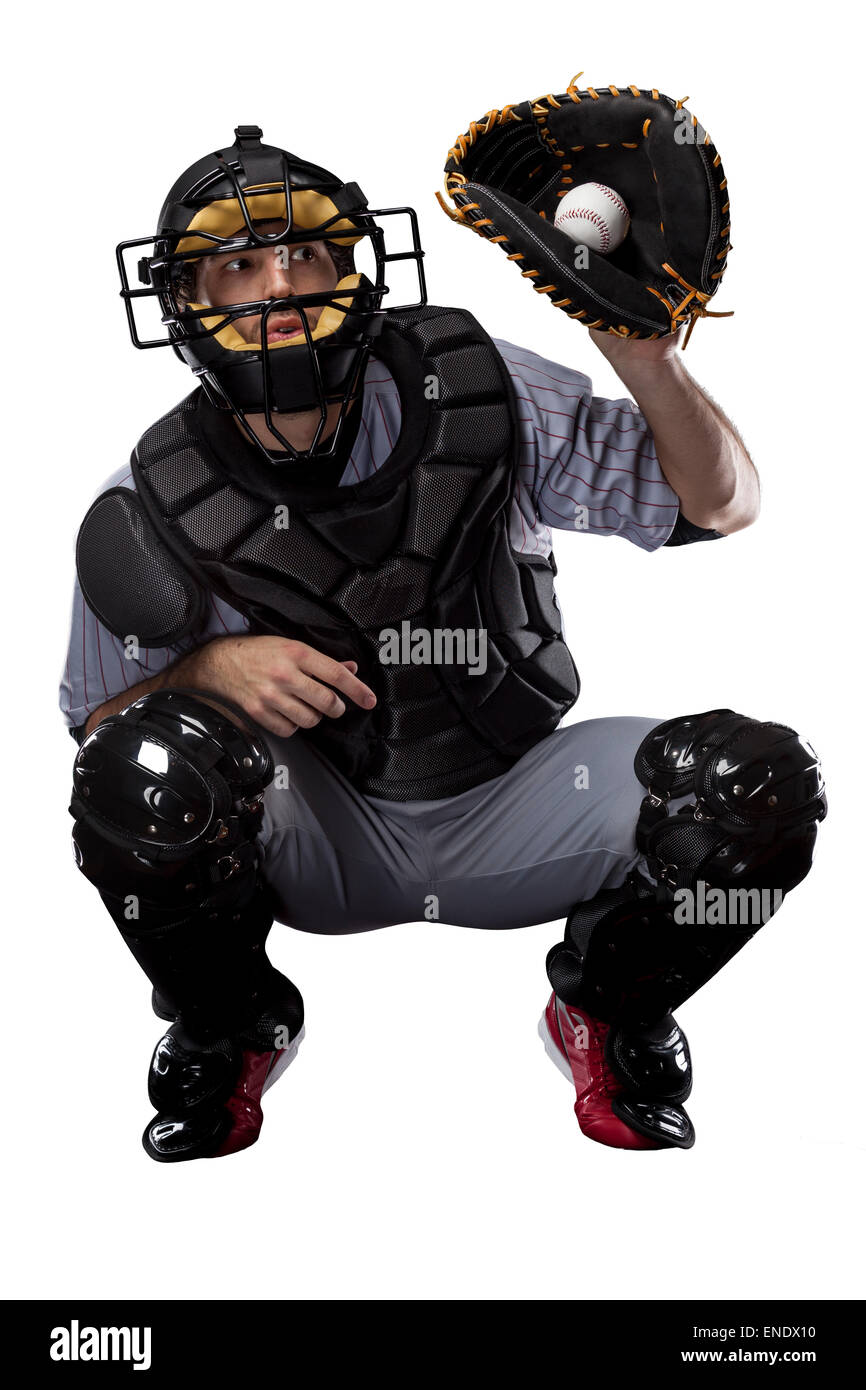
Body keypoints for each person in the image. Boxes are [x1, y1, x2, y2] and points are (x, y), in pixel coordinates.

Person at [61, 126, 826, 1162]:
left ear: (353, 267)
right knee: (142, 768)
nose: (278, 285)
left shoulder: (471, 384)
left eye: (303, 252)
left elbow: (720, 504)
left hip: (515, 800)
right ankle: (227, 1024)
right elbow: (96, 736)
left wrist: (644, 360)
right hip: (318, 834)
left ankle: (609, 1008)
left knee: (755, 788)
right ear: (186, 302)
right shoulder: (149, 493)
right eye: (238, 263)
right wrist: (204, 674)